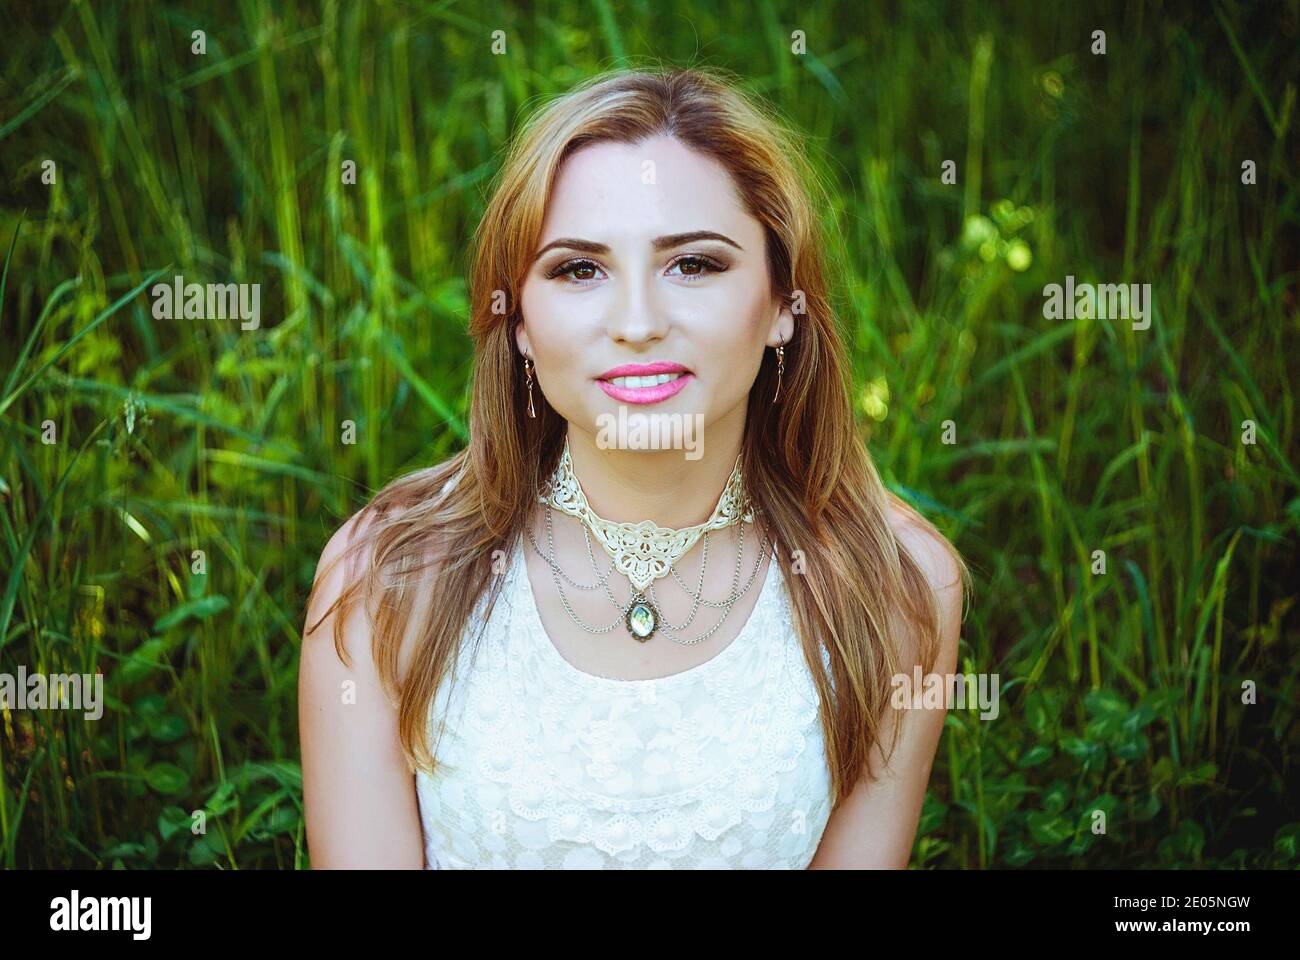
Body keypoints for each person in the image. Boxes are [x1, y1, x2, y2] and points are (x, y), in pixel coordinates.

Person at [299, 65, 970, 869]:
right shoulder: (386, 577)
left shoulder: (893, 583)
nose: (639, 323)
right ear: (517, 322)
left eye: (694, 264)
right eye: (579, 270)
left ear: (782, 307)